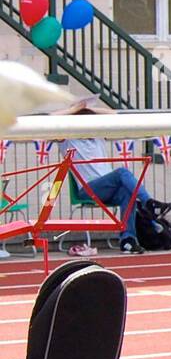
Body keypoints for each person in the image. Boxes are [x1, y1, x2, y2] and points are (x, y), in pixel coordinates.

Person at [60, 99, 154, 254]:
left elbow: (116, 115)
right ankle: (149, 203)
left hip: (107, 188)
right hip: (88, 188)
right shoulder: (68, 139)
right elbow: (49, 117)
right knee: (122, 172)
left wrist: (91, 109)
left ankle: (128, 240)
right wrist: (74, 109)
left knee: (128, 193)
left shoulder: (98, 137)